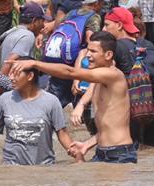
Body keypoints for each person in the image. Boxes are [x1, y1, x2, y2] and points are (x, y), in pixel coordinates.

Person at [13, 32, 134, 163]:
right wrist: (87, 144)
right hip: (102, 152)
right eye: (88, 50)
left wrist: (35, 64)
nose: (87, 55)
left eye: (93, 51)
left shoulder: (112, 75)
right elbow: (109, 126)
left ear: (108, 55)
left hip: (119, 154)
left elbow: (70, 72)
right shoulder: (100, 79)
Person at [0, 56, 75, 164]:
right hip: (11, 168)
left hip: (42, 168)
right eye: (10, 73)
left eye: (16, 73)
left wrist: (76, 154)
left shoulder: (51, 101)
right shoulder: (5, 99)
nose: (11, 78)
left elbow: (62, 134)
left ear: (30, 76)